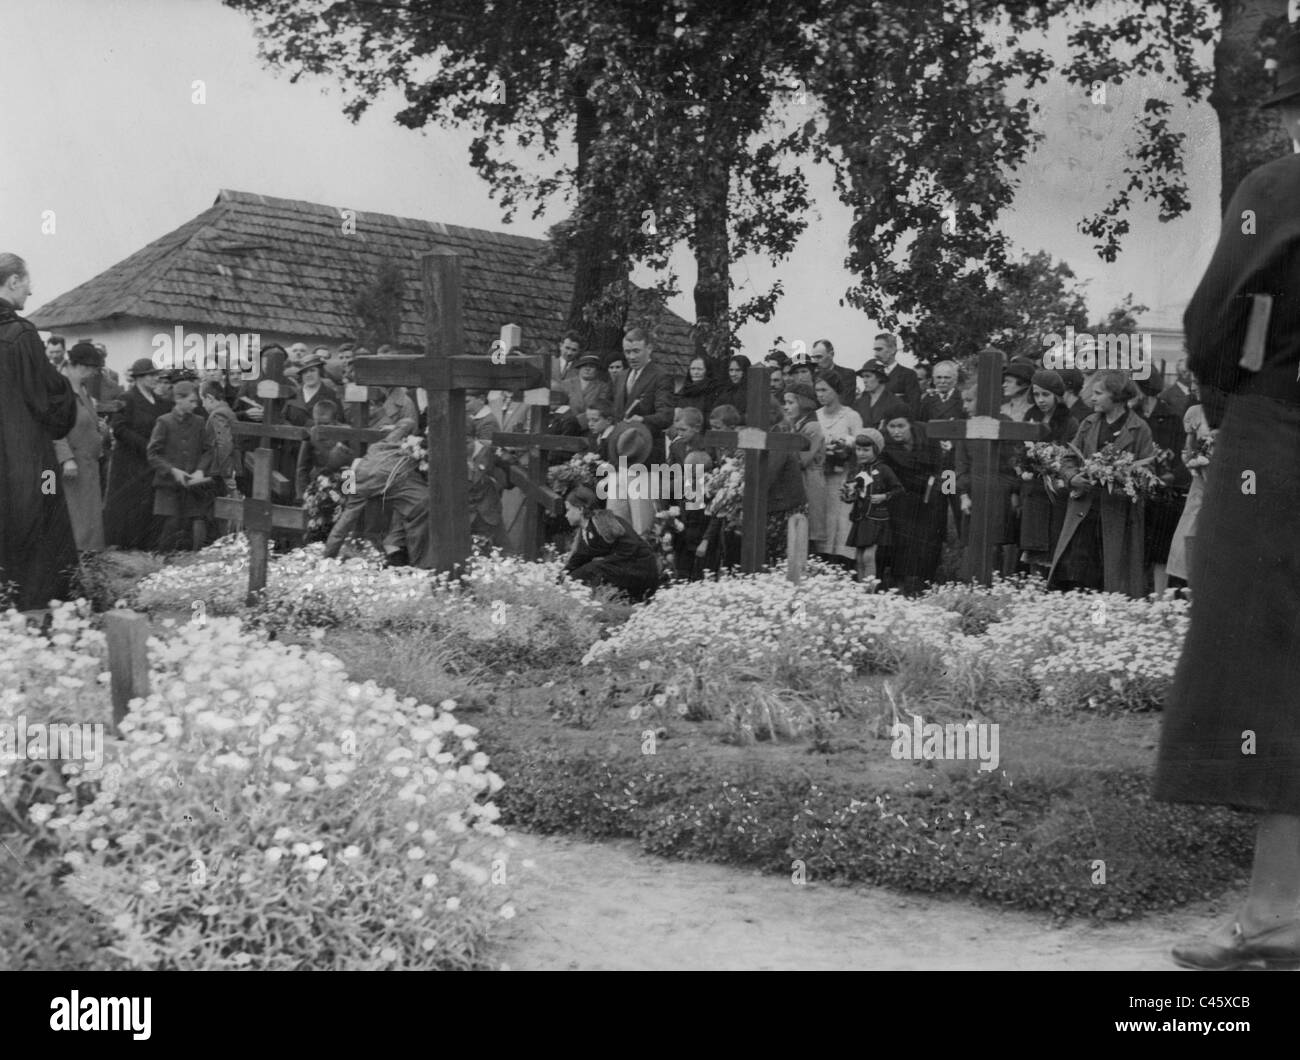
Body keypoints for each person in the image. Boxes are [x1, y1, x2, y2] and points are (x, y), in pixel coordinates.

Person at [1153, 31, 1300, 971]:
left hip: (1281, 440)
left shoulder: (1277, 188)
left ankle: (1280, 921)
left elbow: (1211, 326)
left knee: (1269, 677)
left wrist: (1224, 390)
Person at [0, 255, 79, 608]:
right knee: (37, 519)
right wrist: (66, 385)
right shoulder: (22, 334)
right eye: (27, 282)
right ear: (14, 281)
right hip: (26, 459)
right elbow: (47, 399)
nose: (31, 291)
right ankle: (34, 609)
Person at [1046, 372, 1153, 597]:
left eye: (1098, 393)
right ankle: (1076, 622)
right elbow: (1068, 458)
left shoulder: (1139, 428)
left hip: (1117, 516)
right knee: (1076, 572)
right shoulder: (1089, 422)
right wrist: (1072, 478)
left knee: (1108, 576)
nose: (1091, 399)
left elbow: (1147, 474)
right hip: (1083, 511)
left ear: (1117, 396)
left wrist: (1119, 477)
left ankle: (1099, 625)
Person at [104, 357, 172, 550]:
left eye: (155, 374)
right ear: (139, 378)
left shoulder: (161, 402)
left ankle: (144, 545)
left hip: (150, 463)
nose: (155, 378)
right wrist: (146, 446)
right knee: (129, 503)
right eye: (150, 375)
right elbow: (119, 428)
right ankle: (124, 545)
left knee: (147, 503)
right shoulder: (127, 399)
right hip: (129, 461)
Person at [1133, 373, 1189, 595]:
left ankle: (1158, 596)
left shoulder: (1173, 419)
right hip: (1137, 489)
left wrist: (1170, 477)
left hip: (1163, 493)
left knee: (1160, 547)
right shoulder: (1132, 416)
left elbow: (1184, 456)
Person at [54, 342, 110, 553]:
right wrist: (65, 458)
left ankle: (87, 562)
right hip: (66, 468)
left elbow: (86, 422)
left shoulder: (83, 391)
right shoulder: (59, 389)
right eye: (94, 369)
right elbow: (52, 429)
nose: (95, 373)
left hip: (87, 464)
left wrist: (101, 431)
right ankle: (72, 563)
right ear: (83, 366)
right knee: (70, 516)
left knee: (88, 517)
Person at [147, 381, 214, 552]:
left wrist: (200, 470)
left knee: (195, 524)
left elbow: (208, 450)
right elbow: (153, 454)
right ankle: (162, 561)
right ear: (178, 399)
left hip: (192, 485)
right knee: (171, 524)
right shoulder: (164, 422)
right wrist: (172, 470)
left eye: (196, 401)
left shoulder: (199, 422)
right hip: (168, 485)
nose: (195, 404)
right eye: (191, 401)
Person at [561, 485, 659, 601]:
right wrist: (562, 578)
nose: (566, 515)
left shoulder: (603, 521)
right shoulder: (585, 532)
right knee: (585, 571)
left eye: (568, 510)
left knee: (593, 568)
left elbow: (631, 546)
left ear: (580, 509)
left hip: (641, 569)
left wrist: (605, 561)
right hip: (624, 570)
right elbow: (578, 559)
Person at [879, 413, 942, 594]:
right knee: (902, 537)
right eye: (892, 426)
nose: (896, 431)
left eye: (901, 426)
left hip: (931, 496)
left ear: (910, 425)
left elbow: (945, 468)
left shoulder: (928, 439)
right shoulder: (885, 445)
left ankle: (926, 582)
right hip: (901, 498)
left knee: (930, 538)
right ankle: (900, 583)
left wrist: (946, 493)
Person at [1018, 370, 1073, 575]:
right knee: (1033, 544)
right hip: (1033, 489)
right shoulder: (1031, 416)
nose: (1040, 400)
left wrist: (1050, 463)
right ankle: (1034, 584)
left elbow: (1069, 456)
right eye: (1036, 394)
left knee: (1052, 542)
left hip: (1056, 493)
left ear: (1057, 396)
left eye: (1045, 395)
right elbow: (1021, 449)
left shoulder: (1068, 421)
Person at [842, 429, 903, 587]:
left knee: (869, 556)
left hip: (876, 518)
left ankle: (870, 593)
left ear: (876, 450)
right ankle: (862, 590)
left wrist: (884, 496)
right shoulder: (856, 471)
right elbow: (851, 497)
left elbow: (899, 490)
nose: (861, 453)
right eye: (858, 449)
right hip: (861, 517)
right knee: (859, 557)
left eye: (866, 450)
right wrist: (848, 494)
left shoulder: (883, 470)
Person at [813, 376, 863, 566]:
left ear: (836, 390)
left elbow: (862, 446)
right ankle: (821, 565)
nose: (821, 395)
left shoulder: (851, 416)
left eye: (825, 390)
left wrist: (846, 450)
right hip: (821, 478)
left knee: (842, 524)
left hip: (843, 478)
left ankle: (843, 567)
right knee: (823, 522)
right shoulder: (816, 416)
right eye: (818, 391)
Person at [1164, 401, 1212, 588]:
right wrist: (1197, 463)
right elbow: (1189, 451)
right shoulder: (1197, 412)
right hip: (1200, 493)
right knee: (1186, 553)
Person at [781, 383, 827, 555]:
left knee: (808, 530)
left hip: (809, 481)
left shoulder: (812, 427)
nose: (786, 407)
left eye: (791, 402)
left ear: (803, 403)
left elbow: (802, 460)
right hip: (797, 480)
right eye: (785, 403)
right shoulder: (795, 424)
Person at [612, 328, 674, 447]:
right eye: (627, 352)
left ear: (649, 349)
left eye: (636, 351)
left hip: (646, 447)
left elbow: (666, 416)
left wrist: (643, 420)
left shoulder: (661, 376)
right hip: (622, 447)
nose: (631, 357)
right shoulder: (621, 376)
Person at [872, 333, 922, 419]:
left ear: (892, 350)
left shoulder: (908, 374)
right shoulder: (873, 375)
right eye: (875, 350)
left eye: (879, 349)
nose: (875, 354)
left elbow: (914, 407)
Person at [853, 359, 910, 431]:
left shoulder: (897, 404)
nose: (864, 380)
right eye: (863, 377)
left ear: (880, 377)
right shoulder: (858, 403)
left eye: (868, 376)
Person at [562, 353, 614, 423]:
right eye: (584, 365)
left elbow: (600, 407)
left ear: (597, 370)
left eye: (591, 366)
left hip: (591, 424)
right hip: (566, 423)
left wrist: (579, 420)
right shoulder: (566, 384)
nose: (587, 369)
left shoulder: (603, 386)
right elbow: (561, 405)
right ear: (579, 367)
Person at [673, 354, 715, 421]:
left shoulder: (713, 392)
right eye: (693, 369)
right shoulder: (683, 392)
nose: (695, 372)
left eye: (700, 369)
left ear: (707, 371)